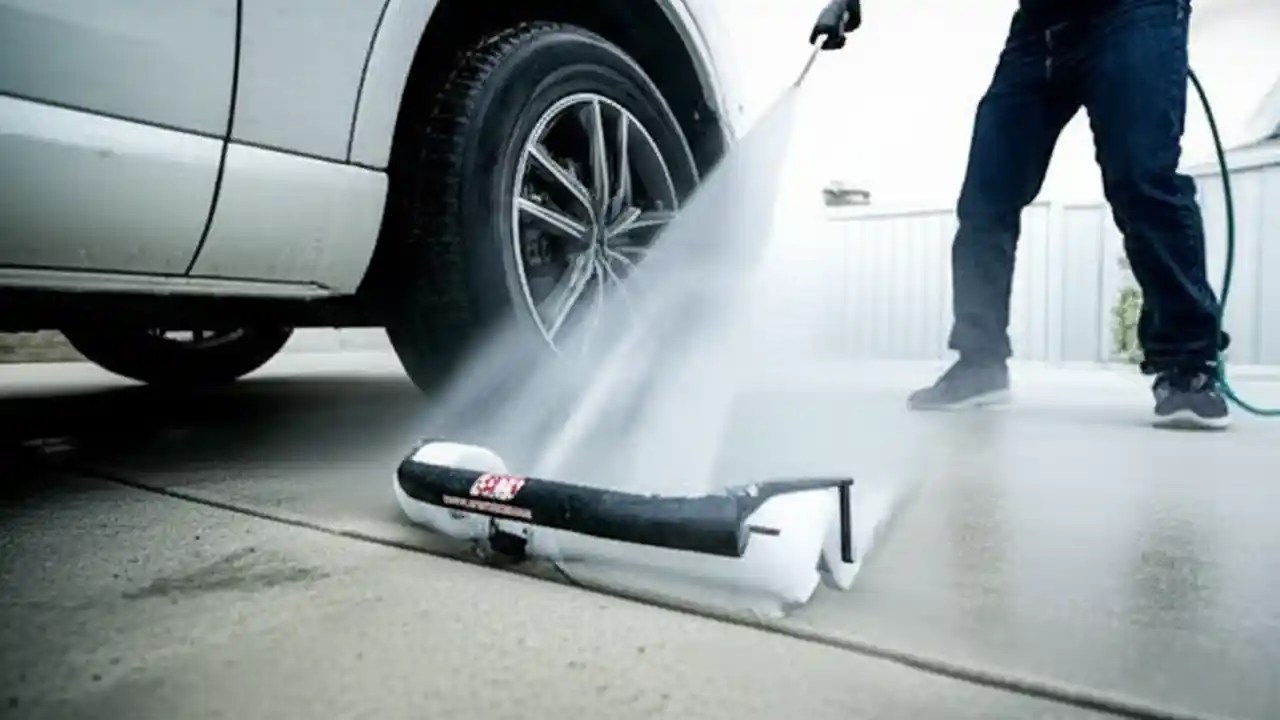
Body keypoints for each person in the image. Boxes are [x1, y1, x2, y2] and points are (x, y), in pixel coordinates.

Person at [811, 0, 1232, 430]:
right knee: (987, 195)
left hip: (1134, 12)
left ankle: (1188, 367)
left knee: (1141, 178)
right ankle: (979, 362)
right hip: (1039, 26)